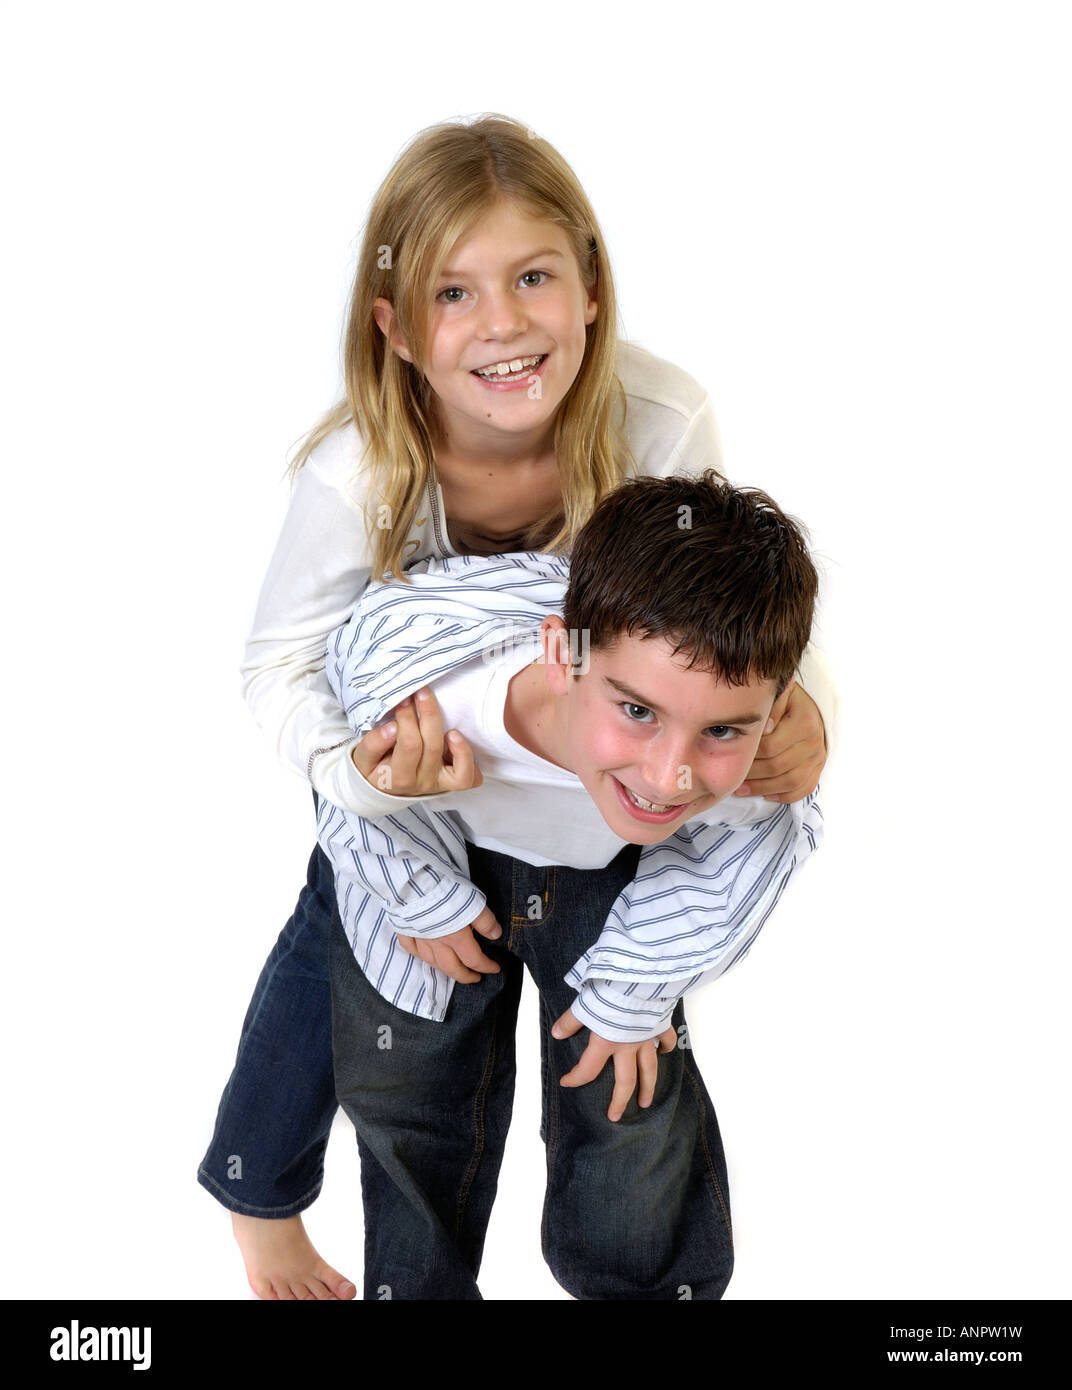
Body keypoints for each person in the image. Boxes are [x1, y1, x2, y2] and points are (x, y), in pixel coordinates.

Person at [198, 113, 834, 1301]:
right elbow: (285, 672)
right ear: (392, 329)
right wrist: (372, 797)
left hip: (590, 779)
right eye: (453, 291)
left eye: (535, 276)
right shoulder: (364, 474)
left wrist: (804, 713)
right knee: (346, 995)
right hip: (415, 778)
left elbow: (715, 605)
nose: (502, 323)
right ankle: (259, 1199)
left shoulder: (657, 419)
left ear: (591, 286)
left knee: (623, 1068)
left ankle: (638, 1274)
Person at [319, 473, 823, 1299]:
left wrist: (632, 988)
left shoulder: (756, 771)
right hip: (439, 847)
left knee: (628, 1088)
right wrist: (418, 893)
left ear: (774, 712)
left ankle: (645, 1286)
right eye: (636, 712)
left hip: (606, 877)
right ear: (565, 656)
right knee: (404, 1087)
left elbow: (735, 862)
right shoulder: (423, 685)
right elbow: (343, 775)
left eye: (723, 730)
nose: (670, 773)